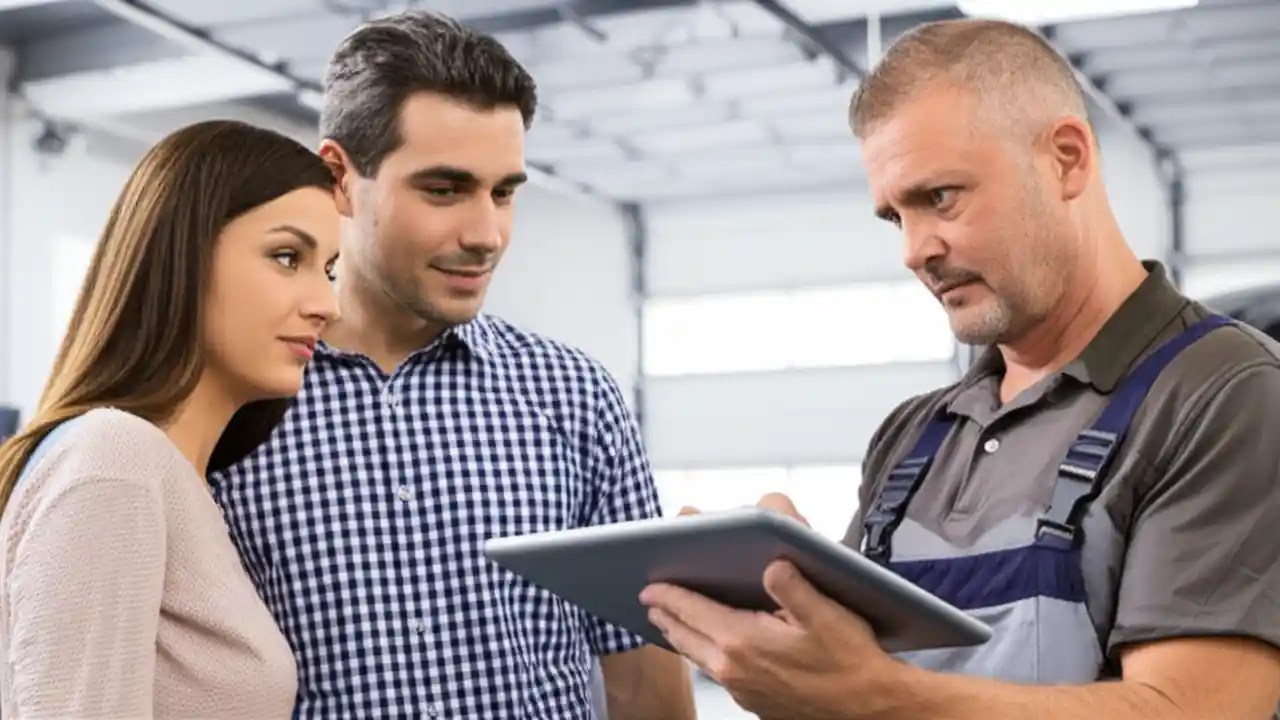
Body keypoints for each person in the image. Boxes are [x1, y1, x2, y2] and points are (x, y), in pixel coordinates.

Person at [639, 18, 1280, 719]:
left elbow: (1194, 710)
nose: (914, 250)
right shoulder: (914, 435)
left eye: (939, 197)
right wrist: (792, 610)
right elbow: (860, 675)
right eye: (894, 218)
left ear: (1067, 159)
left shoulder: (1224, 394)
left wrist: (865, 695)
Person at [209, 10, 694, 720]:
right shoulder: (231, 401)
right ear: (340, 176)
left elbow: (646, 684)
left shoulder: (574, 396)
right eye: (444, 189)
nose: (486, 234)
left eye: (504, 191)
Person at [0, 119, 340, 717]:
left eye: (329, 269)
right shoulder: (117, 460)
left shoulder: (174, 481)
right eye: (287, 257)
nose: (326, 305)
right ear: (184, 254)